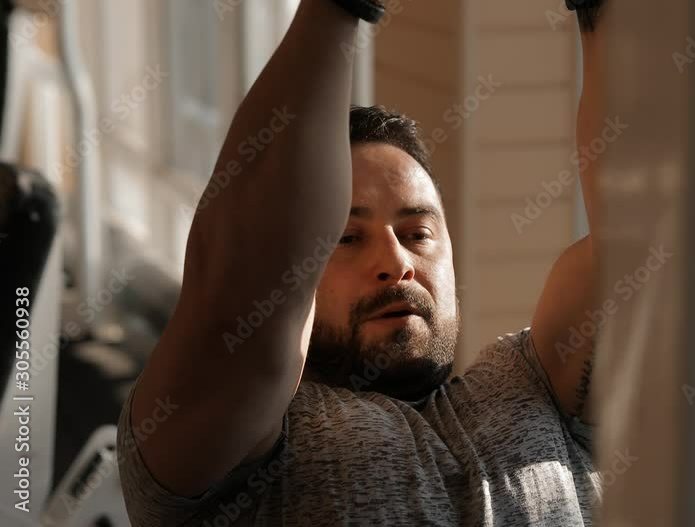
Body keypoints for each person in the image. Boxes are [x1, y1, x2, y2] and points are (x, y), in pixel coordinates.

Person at [117, 0, 608, 524]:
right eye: (347, 238)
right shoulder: (239, 437)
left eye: (417, 233)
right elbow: (244, 295)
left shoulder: (535, 382)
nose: (396, 262)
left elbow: (644, 218)